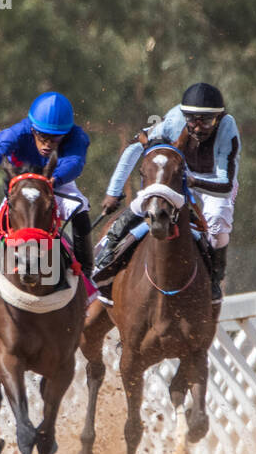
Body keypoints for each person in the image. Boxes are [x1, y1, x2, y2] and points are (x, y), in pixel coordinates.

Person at [93, 82, 240, 303]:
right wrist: (114, 191)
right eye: (192, 120)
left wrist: (192, 181)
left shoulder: (228, 129)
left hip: (214, 184)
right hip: (181, 172)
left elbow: (226, 183)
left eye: (207, 121)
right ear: (184, 115)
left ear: (218, 118)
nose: (198, 128)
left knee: (218, 222)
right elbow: (136, 145)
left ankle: (214, 277)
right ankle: (108, 249)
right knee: (147, 199)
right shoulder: (172, 120)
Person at [0, 91, 93, 280]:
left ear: (65, 134)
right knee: (1, 216)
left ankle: (87, 273)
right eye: (43, 136)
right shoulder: (16, 133)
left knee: (79, 207)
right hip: (23, 183)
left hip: (57, 182)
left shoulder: (76, 136)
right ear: (33, 129)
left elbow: (75, 162)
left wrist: (52, 180)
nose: (47, 144)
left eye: (55, 139)